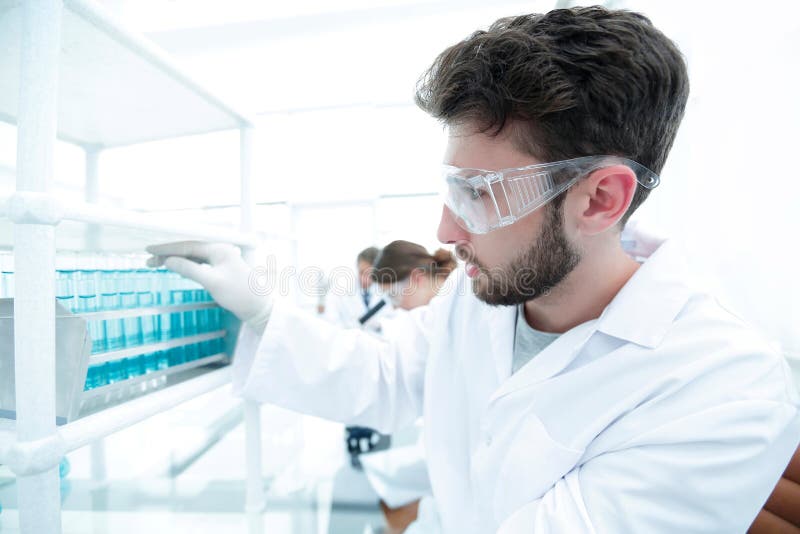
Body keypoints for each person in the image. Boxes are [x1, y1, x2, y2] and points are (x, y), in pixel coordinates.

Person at [146, 6, 800, 533]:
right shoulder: (479, 296)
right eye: (454, 191)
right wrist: (262, 308)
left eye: (482, 194)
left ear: (601, 199)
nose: (445, 233)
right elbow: (385, 376)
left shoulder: (724, 388)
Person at [365, 241, 457, 533]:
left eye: (394, 294)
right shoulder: (441, 311)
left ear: (417, 278)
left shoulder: (455, 309)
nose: (395, 306)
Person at [322, 246, 391, 330]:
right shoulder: (339, 289)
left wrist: (380, 325)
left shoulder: (387, 291)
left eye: (370, 274)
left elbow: (393, 321)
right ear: (357, 267)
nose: (364, 279)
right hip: (347, 341)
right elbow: (330, 323)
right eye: (361, 272)